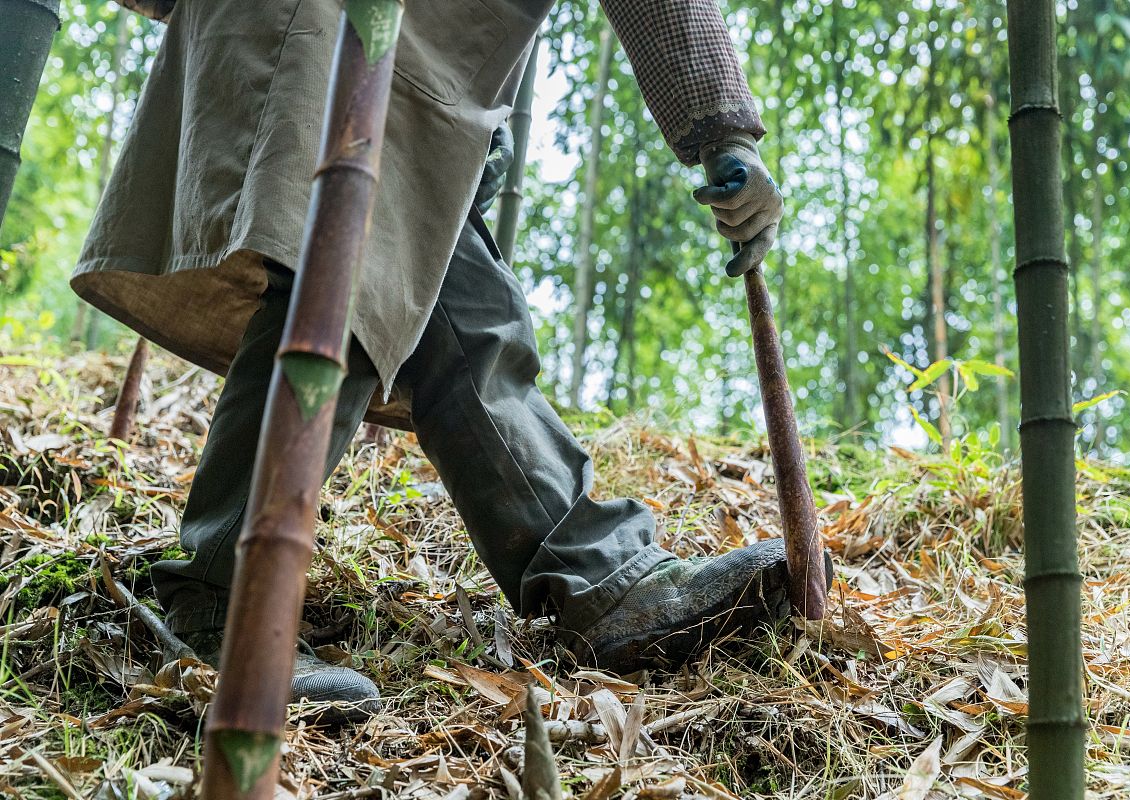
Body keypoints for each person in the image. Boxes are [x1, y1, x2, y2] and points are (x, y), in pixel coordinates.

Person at [76, 0, 789, 719]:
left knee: (466, 316)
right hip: (333, 26)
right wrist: (722, 130)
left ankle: (602, 583)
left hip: (423, 70)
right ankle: (222, 605)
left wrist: (723, 130)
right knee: (344, 281)